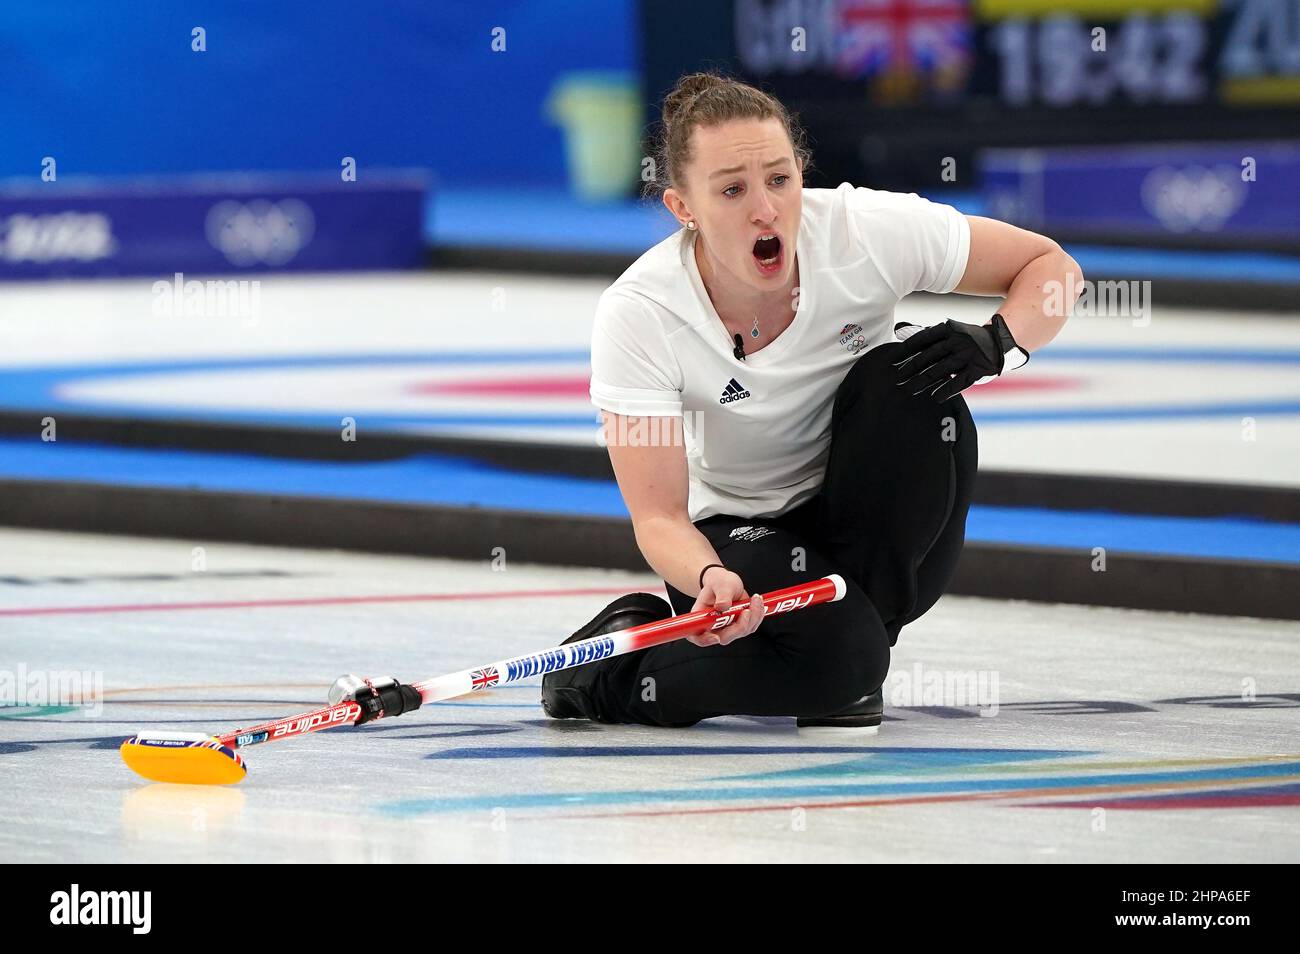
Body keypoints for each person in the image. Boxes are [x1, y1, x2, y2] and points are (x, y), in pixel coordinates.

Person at [542, 71, 1081, 730]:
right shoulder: (641, 312)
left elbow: (1052, 267)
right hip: (737, 537)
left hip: (866, 523)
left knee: (908, 381)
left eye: (779, 179)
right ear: (684, 208)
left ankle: (846, 649)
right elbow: (658, 518)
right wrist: (708, 577)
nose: (765, 210)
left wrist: (999, 343)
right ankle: (603, 675)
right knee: (841, 673)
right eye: (732, 191)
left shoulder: (863, 231)